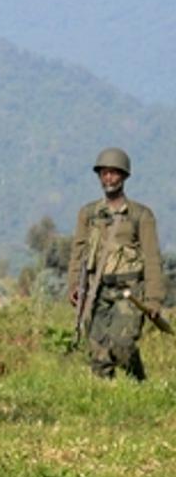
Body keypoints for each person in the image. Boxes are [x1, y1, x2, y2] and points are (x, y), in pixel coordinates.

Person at [67, 148, 165, 381]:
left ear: (124, 176)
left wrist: (153, 299)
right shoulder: (89, 213)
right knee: (99, 353)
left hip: (129, 291)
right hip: (97, 290)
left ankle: (139, 383)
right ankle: (104, 404)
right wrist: (73, 286)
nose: (109, 178)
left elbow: (152, 258)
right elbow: (78, 251)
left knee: (122, 345)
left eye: (114, 173)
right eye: (104, 173)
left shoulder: (141, 215)